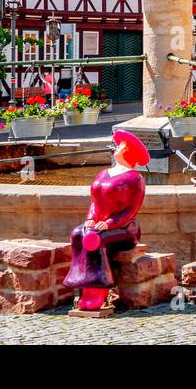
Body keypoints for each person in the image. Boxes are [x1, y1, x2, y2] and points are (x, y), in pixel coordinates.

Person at [63, 129, 151, 312]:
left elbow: (130, 211)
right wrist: (91, 219)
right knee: (78, 233)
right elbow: (95, 202)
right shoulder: (104, 173)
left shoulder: (135, 179)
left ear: (128, 153)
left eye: (121, 147)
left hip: (125, 228)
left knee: (95, 239)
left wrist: (109, 223)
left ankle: (98, 291)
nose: (116, 148)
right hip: (99, 225)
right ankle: (82, 287)